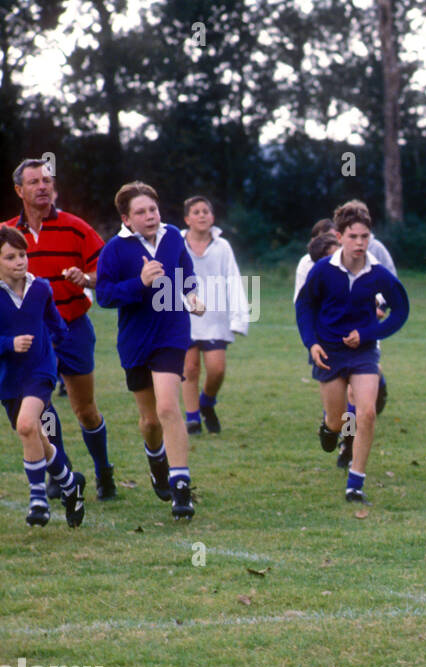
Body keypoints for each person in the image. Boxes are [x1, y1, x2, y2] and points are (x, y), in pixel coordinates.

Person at [94, 181, 205, 520]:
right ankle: (156, 459)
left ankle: (181, 486)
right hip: (136, 341)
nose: (149, 216)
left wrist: (192, 296)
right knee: (150, 419)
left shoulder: (173, 237)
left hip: (172, 333)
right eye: (140, 212)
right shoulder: (115, 249)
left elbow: (186, 273)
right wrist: (140, 282)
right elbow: (105, 295)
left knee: (170, 406)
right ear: (126, 219)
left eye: (153, 209)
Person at [7, 158, 115, 499]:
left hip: (72, 328)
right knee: (42, 409)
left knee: (85, 408)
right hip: (32, 339)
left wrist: (86, 279)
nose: (43, 186)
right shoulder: (7, 235)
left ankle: (104, 471)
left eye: (47, 180)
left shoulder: (76, 228)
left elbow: (104, 274)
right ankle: (62, 473)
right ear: (19, 190)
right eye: (34, 181)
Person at [295, 200, 409, 504]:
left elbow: (400, 311)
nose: (360, 243)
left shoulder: (378, 273)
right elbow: (304, 306)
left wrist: (368, 334)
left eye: (365, 236)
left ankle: (355, 482)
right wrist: (312, 342)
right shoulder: (322, 271)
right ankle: (329, 428)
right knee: (338, 420)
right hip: (330, 351)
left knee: (367, 412)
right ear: (340, 237)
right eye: (353, 236)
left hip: (363, 353)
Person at [0, 225, 86, 527]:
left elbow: (58, 327)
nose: (19, 262)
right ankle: (70, 483)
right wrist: (9, 344)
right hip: (9, 378)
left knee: (27, 424)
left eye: (22, 255)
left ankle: (37, 498)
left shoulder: (41, 288)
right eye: (10, 257)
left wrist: (54, 351)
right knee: (34, 435)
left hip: (40, 371)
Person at [181, 196, 249, 435]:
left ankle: (207, 402)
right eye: (196, 212)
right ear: (187, 218)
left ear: (212, 217)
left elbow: (233, 279)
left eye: (206, 211)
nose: (202, 215)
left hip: (215, 317)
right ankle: (192, 419)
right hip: (184, 316)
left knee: (217, 369)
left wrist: (239, 317)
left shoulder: (223, 247)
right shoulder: (176, 243)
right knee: (189, 369)